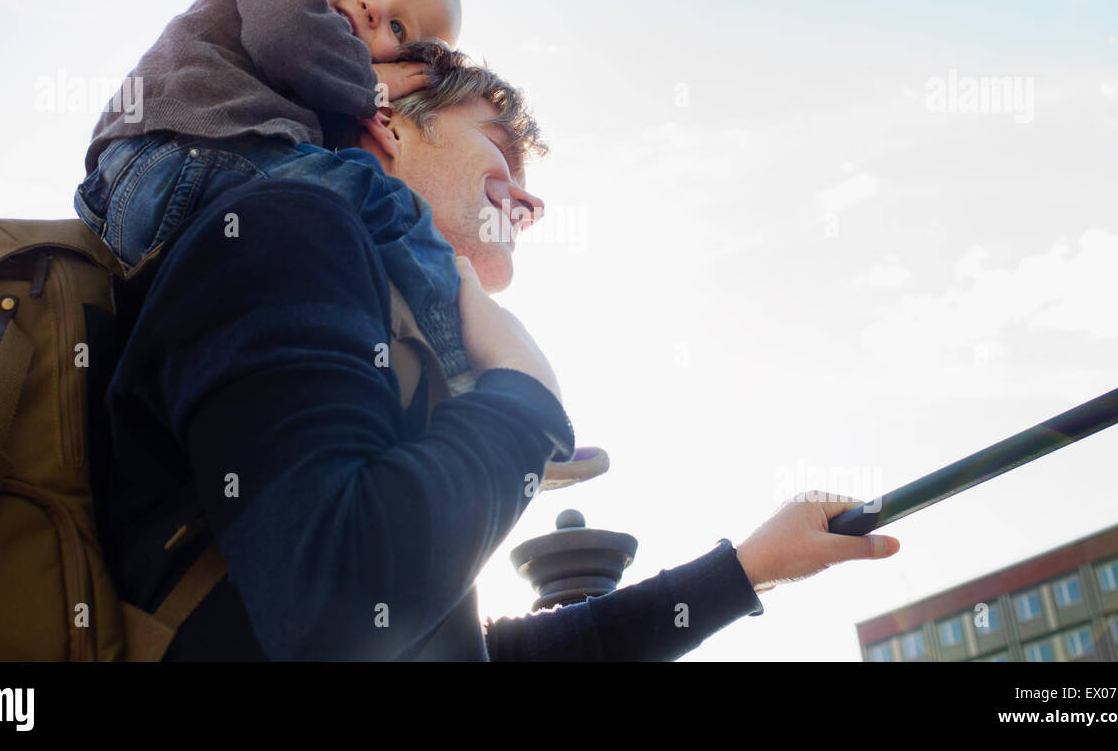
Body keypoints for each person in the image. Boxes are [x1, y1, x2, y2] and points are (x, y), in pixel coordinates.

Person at [92, 41, 900, 660]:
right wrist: (522, 393)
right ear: (386, 121)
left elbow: (469, 653)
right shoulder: (288, 229)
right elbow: (336, 611)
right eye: (498, 148)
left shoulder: (375, 322)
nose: (533, 198)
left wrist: (750, 567)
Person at [75, 0, 477, 391]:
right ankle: (456, 369)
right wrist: (371, 83)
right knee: (383, 203)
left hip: (140, 209)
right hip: (187, 153)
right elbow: (287, 36)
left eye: (396, 28)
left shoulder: (304, 91)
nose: (373, 7)